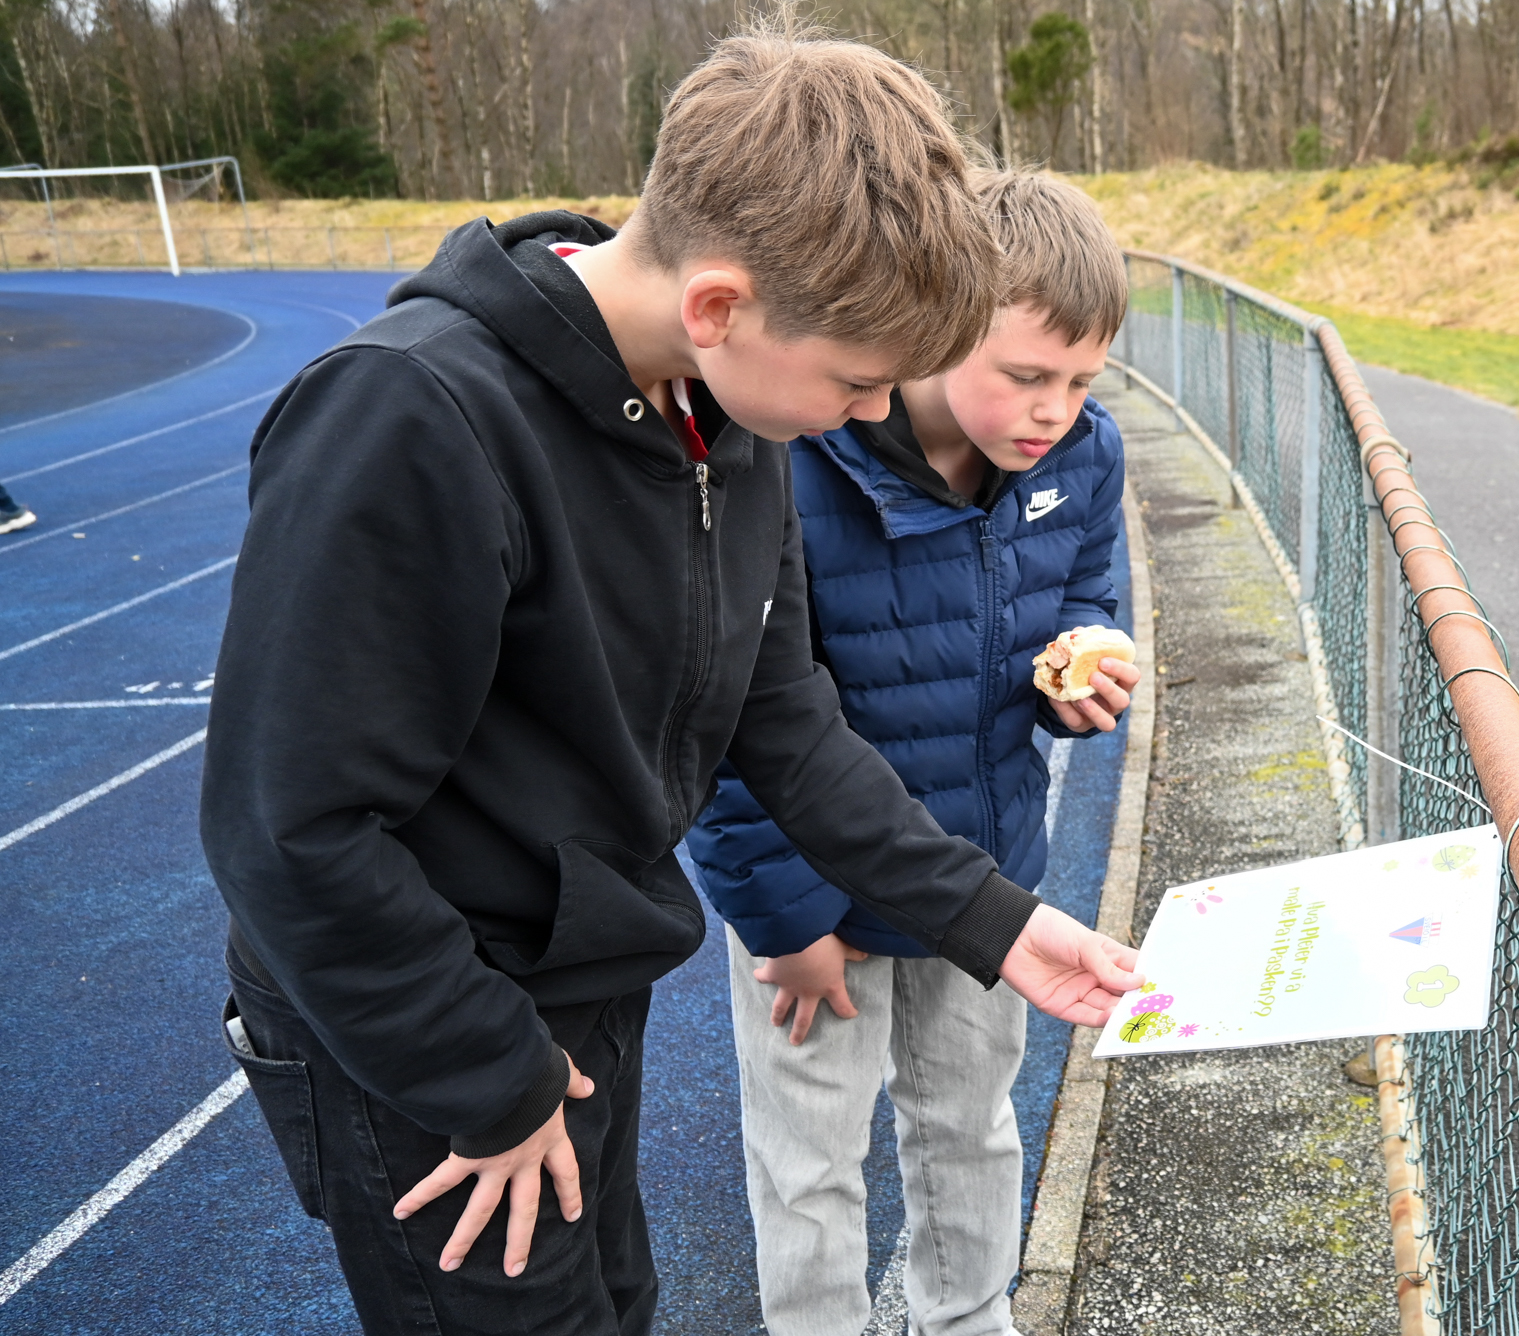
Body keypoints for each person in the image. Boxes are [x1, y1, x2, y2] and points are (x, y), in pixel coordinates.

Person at [198, 31, 1140, 1336]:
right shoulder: (408, 420)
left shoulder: (723, 410)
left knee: (619, 1306)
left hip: (582, 987)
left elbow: (783, 721)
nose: (873, 415)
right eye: (856, 380)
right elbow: (287, 829)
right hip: (423, 1024)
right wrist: (492, 1080)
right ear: (717, 306)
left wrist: (998, 924)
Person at [686, 170, 1137, 1336]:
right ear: (935, 327)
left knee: (970, 1127)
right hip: (812, 893)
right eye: (1025, 375)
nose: (1054, 410)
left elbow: (1082, 596)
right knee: (808, 1159)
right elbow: (731, 713)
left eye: (1081, 381)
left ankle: (968, 1316)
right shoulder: (794, 454)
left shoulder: (1085, 456)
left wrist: (1085, 668)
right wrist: (781, 919)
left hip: (985, 874)